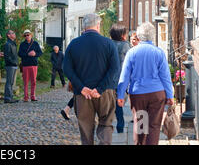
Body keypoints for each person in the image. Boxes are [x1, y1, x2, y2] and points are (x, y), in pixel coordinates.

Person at [63, 13, 120, 145]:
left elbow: (66, 68)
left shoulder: (74, 44)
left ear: (84, 27)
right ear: (98, 25)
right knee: (106, 124)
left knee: (85, 129)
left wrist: (82, 87)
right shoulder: (108, 44)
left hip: (82, 94)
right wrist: (99, 89)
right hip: (105, 92)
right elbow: (115, 69)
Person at [117, 22, 174, 145]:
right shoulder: (159, 53)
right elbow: (165, 77)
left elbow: (124, 76)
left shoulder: (131, 53)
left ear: (138, 36)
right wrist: (170, 95)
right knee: (154, 126)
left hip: (138, 95)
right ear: (153, 36)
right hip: (157, 94)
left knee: (141, 124)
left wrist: (120, 95)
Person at [109, 24, 131, 133]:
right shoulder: (126, 46)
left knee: (109, 102)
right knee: (119, 102)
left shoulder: (108, 44)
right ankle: (120, 125)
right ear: (121, 35)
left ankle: (108, 124)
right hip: (122, 78)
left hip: (109, 78)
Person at [18, 30, 42, 102]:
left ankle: (33, 96)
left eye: (28, 35)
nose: (27, 36)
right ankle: (25, 97)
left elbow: (40, 53)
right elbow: (19, 54)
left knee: (33, 81)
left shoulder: (35, 43)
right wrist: (27, 54)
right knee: (25, 81)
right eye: (25, 35)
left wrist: (35, 54)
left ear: (31, 35)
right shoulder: (22, 44)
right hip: (25, 65)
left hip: (34, 65)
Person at [3, 30, 19, 103]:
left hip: (14, 65)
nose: (14, 34)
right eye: (13, 33)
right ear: (8, 35)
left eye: (14, 33)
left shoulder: (13, 43)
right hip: (10, 65)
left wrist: (16, 62)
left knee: (12, 82)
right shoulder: (7, 44)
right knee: (9, 82)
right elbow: (7, 56)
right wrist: (13, 62)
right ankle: (7, 97)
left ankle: (10, 96)